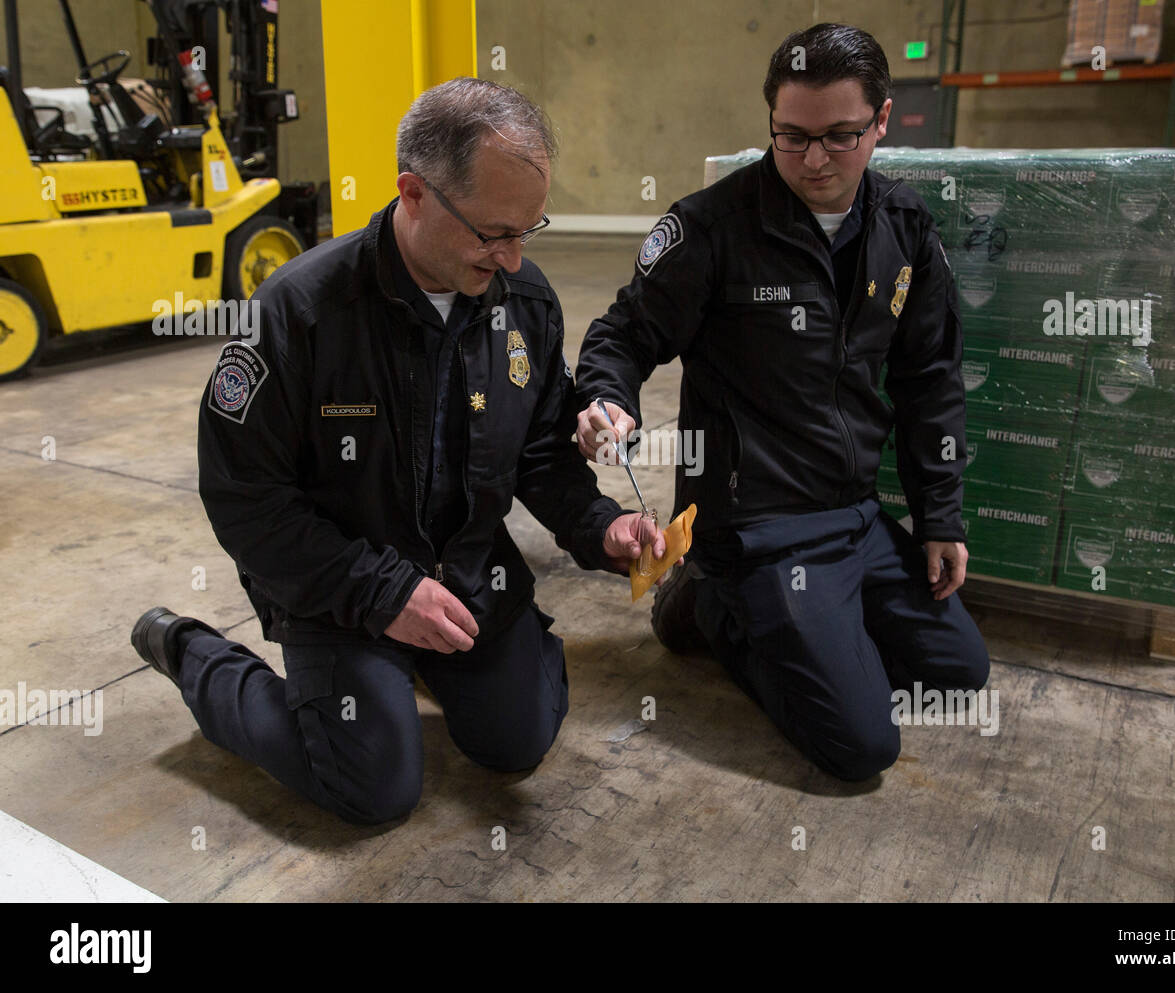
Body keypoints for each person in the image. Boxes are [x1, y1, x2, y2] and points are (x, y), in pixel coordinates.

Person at [131, 77, 665, 825]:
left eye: (528, 231)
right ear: (413, 194)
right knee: (373, 787)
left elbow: (542, 448)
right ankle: (192, 653)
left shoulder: (525, 303)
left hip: (469, 572)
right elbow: (245, 498)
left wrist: (600, 526)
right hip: (340, 589)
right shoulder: (300, 314)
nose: (512, 259)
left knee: (517, 740)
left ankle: (419, 667)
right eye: (493, 233)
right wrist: (381, 594)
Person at [575, 23, 990, 781]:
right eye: (791, 137)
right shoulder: (712, 229)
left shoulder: (903, 229)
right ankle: (713, 603)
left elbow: (931, 378)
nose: (814, 160)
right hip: (758, 525)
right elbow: (623, 334)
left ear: (883, 121)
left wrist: (939, 516)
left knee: (959, 673)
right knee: (864, 747)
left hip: (856, 513)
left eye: (841, 136)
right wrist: (606, 400)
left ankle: (802, 627)